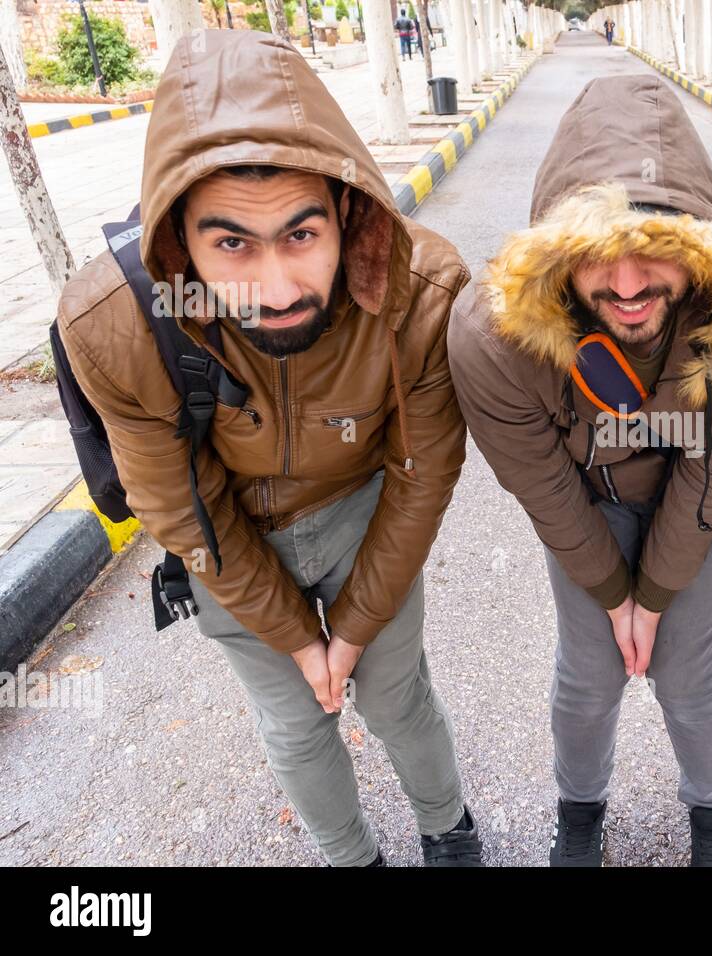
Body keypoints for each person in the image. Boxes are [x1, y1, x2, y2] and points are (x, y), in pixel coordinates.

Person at [56, 30, 482, 868]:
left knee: (395, 697)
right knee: (296, 719)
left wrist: (351, 633)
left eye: (301, 235)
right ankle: (350, 857)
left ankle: (447, 827)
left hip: (366, 515)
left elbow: (423, 470)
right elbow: (180, 505)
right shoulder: (112, 322)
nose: (279, 288)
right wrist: (298, 638)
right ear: (180, 241)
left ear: (347, 216)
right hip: (231, 536)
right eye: (232, 245)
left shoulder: (419, 291)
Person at [448, 74, 712, 867]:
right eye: (598, 260)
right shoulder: (491, 334)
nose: (630, 287)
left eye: (657, 256)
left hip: (696, 497)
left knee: (687, 670)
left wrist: (654, 596)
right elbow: (541, 483)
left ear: (703, 251)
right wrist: (614, 597)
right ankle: (580, 813)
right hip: (586, 500)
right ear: (555, 259)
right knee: (588, 674)